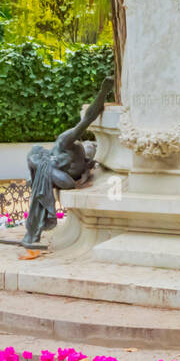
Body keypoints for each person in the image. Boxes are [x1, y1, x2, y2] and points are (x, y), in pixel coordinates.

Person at [21, 75, 114, 247]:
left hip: (60, 175)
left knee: (48, 174)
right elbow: (88, 118)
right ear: (84, 144)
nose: (93, 147)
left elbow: (81, 176)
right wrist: (104, 92)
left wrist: (87, 172)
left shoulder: (86, 162)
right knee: (44, 170)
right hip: (55, 172)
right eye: (91, 146)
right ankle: (34, 232)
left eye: (93, 147)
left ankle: (34, 232)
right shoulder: (67, 141)